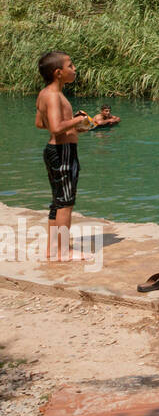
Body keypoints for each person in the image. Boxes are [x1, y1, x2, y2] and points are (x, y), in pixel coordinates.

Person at [34, 52, 91, 261]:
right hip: (63, 152)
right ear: (59, 73)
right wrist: (77, 121)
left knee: (57, 202)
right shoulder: (54, 95)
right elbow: (57, 127)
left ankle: (53, 249)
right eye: (71, 65)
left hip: (54, 152)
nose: (74, 69)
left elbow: (41, 123)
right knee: (66, 203)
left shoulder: (44, 94)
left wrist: (74, 123)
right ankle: (63, 252)